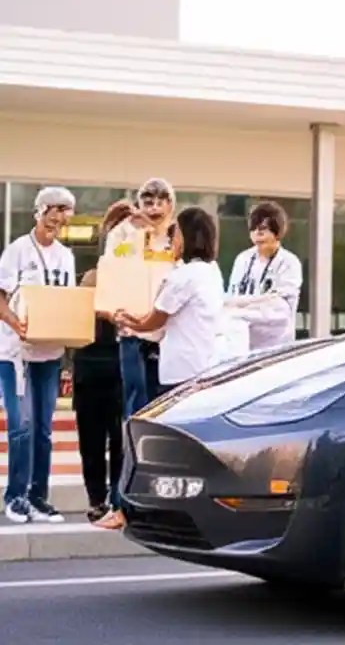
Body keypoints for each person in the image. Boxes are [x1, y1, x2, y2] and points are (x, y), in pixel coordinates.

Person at [97, 206, 223, 530]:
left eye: (176, 233)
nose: (172, 240)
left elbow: (154, 321)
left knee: (147, 441)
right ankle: (177, 512)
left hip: (177, 375)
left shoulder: (183, 276)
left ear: (188, 236)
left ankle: (130, 510)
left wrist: (125, 320)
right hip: (202, 368)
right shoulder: (211, 273)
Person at [0, 186, 78, 524]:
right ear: (39, 211)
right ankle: (15, 496)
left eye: (64, 212)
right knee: (22, 425)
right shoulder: (16, 251)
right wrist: (17, 324)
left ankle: (38, 496)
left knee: (44, 429)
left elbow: (67, 303)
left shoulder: (66, 255)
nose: (57, 219)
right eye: (53, 211)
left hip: (49, 353)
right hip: (16, 353)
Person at [73, 200, 133, 523]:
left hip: (122, 361)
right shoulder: (93, 273)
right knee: (90, 440)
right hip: (89, 361)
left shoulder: (143, 275)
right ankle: (97, 498)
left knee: (120, 437)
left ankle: (116, 499)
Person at [102, 178, 176, 421]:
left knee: (161, 399)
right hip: (131, 330)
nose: (154, 209)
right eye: (148, 202)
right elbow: (114, 264)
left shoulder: (175, 238)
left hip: (165, 332)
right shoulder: (125, 235)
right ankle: (132, 455)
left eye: (160, 202)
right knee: (136, 397)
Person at [224, 201, 304, 350]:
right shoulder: (243, 259)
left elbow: (279, 306)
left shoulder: (289, 263)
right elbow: (231, 297)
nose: (257, 235)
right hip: (243, 345)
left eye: (263, 229)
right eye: (253, 229)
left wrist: (241, 304)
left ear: (277, 231)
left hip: (275, 346)